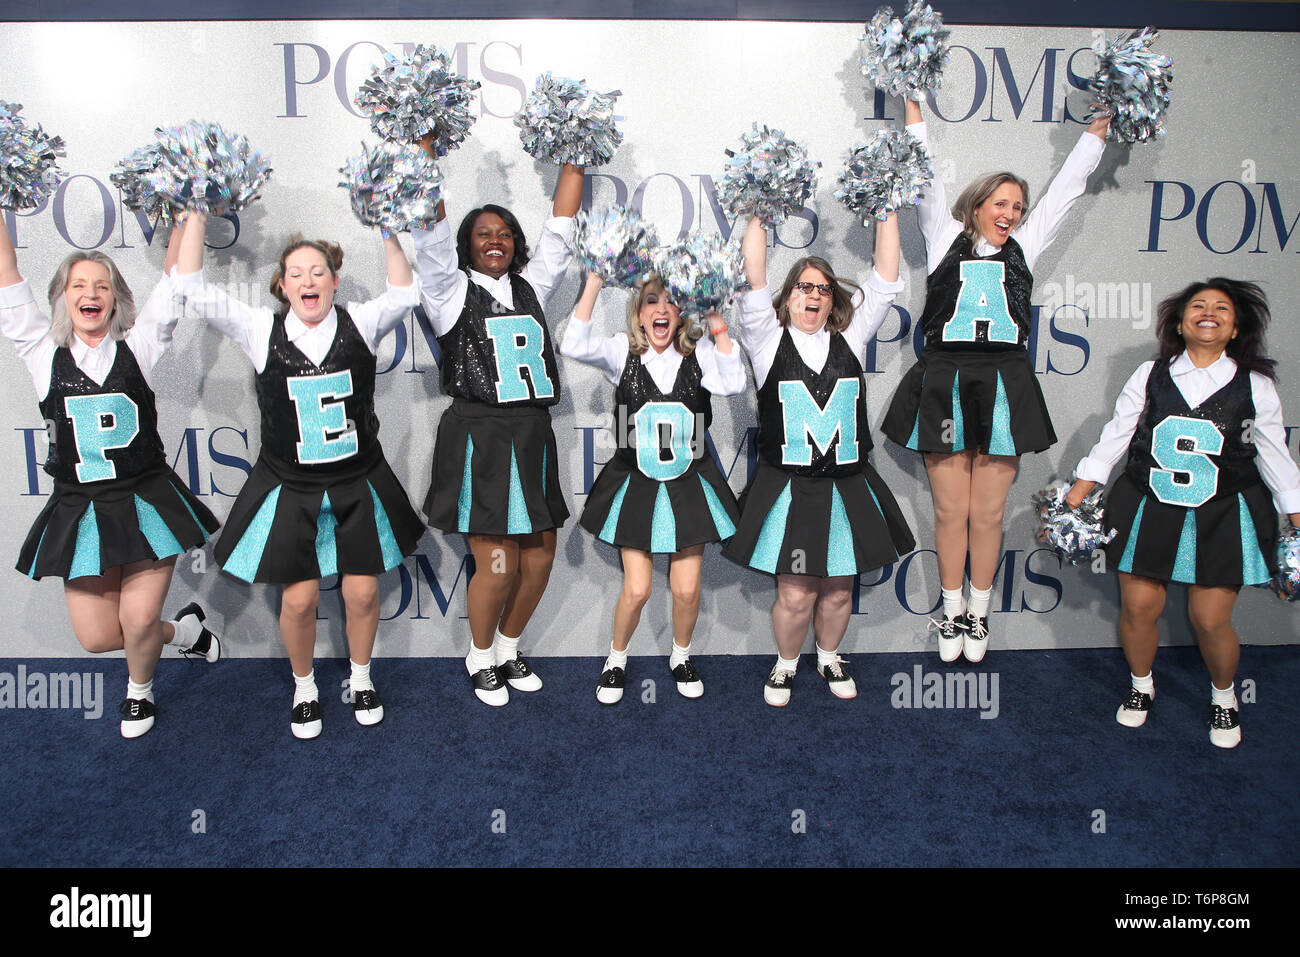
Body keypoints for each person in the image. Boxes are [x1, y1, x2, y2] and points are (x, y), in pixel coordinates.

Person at [172, 211, 425, 739]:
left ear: (334, 279)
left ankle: (360, 678)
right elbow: (192, 289)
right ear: (282, 285)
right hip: (291, 483)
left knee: (360, 594)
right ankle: (305, 685)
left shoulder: (359, 321)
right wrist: (193, 214)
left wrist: (389, 226)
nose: (307, 281)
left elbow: (403, 294)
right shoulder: (261, 327)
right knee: (300, 597)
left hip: (358, 479)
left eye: (317, 271)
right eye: (296, 273)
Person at [881, 98, 1110, 664]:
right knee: (948, 509)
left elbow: (1065, 192)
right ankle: (951, 607)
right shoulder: (941, 238)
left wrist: (1098, 132)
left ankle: (978, 615)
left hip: (1005, 382)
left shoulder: (1026, 248)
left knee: (987, 512)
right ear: (977, 205)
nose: (1011, 212)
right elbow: (926, 171)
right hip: (945, 380)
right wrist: (913, 106)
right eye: (1000, 203)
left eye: (1018, 206)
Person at [1, 214, 221, 739]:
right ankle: (184, 631)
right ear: (61, 298)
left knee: (137, 621)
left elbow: (177, 278)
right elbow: (6, 273)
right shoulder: (40, 352)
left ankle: (138, 691)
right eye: (79, 285)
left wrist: (191, 209)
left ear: (117, 298)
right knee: (99, 637)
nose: (90, 293)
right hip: (80, 510)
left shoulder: (138, 346)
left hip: (145, 501)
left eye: (102, 285)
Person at [1065, 278, 1300, 748]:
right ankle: (1140, 686)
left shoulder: (1255, 386)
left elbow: (1274, 455)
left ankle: (1224, 695)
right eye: (1198, 305)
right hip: (1149, 505)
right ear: (1179, 321)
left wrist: (1295, 515)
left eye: (1221, 309)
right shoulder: (1150, 374)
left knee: (1210, 619)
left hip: (1221, 513)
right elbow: (1117, 435)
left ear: (1235, 328)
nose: (1208, 312)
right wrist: (1080, 490)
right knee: (1138, 608)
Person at [412, 155, 584, 706]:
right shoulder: (447, 292)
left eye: (505, 233)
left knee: (538, 557)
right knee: (497, 561)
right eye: (484, 234)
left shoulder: (532, 285)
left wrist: (576, 153)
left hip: (532, 435)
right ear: (465, 245)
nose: (496, 240)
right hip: (480, 436)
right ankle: (479, 654)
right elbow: (431, 234)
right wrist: (423, 146)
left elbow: (560, 226)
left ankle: (508, 648)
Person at [726, 211, 915, 706]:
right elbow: (752, 279)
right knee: (795, 592)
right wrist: (757, 212)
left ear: (834, 302)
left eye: (824, 289)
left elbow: (886, 278)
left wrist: (888, 203)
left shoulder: (849, 341)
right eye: (804, 287)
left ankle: (829, 657)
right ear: (788, 296)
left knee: (836, 591)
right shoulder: (767, 343)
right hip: (790, 487)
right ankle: (786, 664)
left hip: (848, 485)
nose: (813, 295)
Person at [561, 271, 745, 703]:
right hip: (636, 483)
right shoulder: (622, 353)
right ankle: (617, 657)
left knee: (685, 588)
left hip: (690, 482)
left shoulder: (699, 353)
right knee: (638, 588)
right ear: (639, 315)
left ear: (682, 313)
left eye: (670, 301)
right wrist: (593, 280)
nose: (661, 308)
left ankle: (681, 655)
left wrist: (716, 318)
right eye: (650, 301)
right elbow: (572, 344)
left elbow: (734, 383)